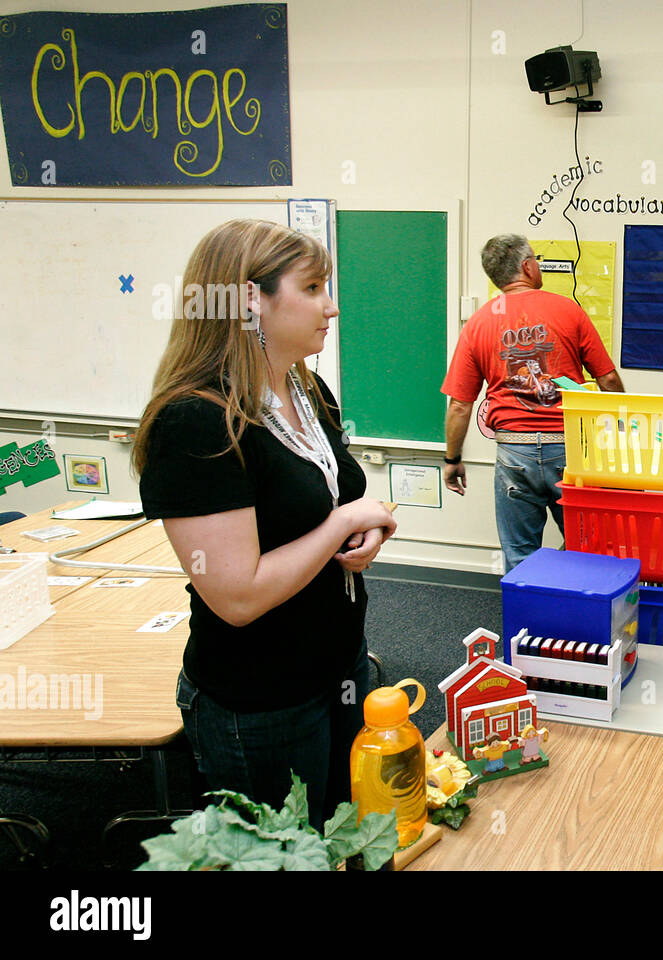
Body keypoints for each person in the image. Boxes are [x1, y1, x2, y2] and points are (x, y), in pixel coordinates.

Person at [134, 220, 397, 830]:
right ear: (250, 301)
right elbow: (238, 596)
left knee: (343, 835)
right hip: (261, 699)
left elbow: (335, 498)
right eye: (311, 288)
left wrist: (369, 529)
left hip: (339, 666)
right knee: (283, 855)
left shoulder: (308, 392)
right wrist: (344, 525)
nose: (330, 307)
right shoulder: (197, 424)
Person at [441, 234, 624, 573]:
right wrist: (622, 431)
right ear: (527, 266)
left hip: (514, 452)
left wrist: (452, 459)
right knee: (588, 549)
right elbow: (608, 380)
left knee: (519, 557)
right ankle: (579, 618)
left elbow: (459, 406)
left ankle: (528, 623)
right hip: (571, 451)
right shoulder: (568, 309)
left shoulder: (479, 322)